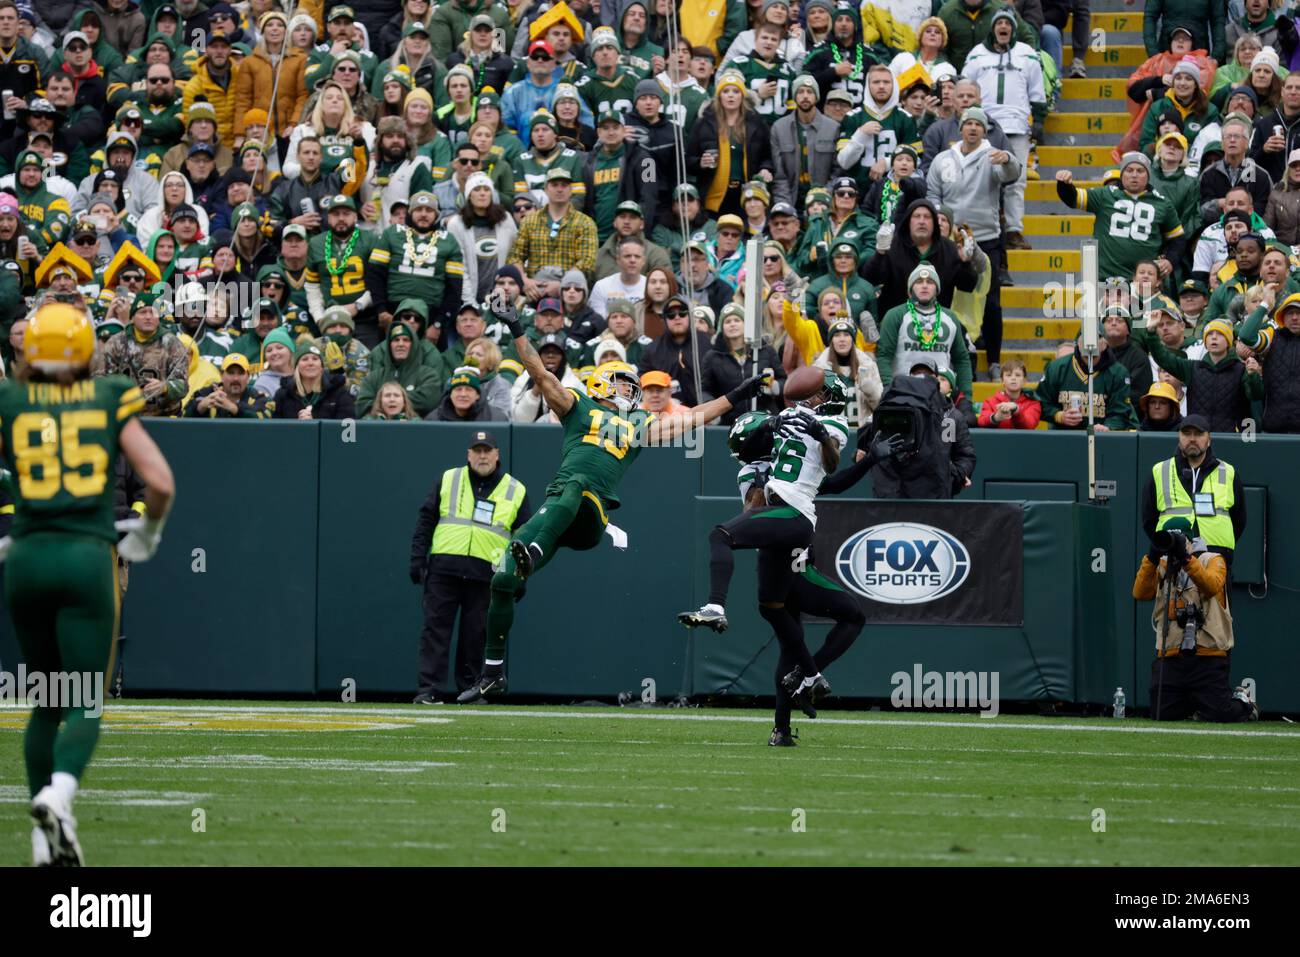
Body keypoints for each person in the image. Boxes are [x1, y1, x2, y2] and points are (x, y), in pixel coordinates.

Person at [455, 295, 770, 702]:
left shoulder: (637, 425)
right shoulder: (579, 406)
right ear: (604, 383)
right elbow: (541, 374)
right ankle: (492, 673)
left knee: (576, 488)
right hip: (557, 509)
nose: (632, 391)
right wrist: (518, 329)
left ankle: (530, 553)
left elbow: (689, 419)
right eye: (625, 383)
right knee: (501, 580)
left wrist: (735, 396)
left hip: (590, 513)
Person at [0, 302, 175, 866]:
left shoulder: (10, 398)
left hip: (25, 556)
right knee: (83, 696)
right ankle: (60, 794)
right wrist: (147, 532)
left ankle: (42, 837)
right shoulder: (108, 395)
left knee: (46, 697)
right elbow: (160, 482)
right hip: (84, 555)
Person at [677, 373, 854, 714]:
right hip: (780, 522)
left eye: (818, 394)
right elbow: (752, 457)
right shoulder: (778, 433)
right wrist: (772, 425)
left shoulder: (834, 424)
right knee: (779, 616)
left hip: (794, 513)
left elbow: (831, 468)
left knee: (720, 535)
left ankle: (715, 607)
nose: (812, 398)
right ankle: (806, 686)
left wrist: (818, 435)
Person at [409, 431, 531, 702]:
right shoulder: (449, 478)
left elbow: (525, 539)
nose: (482, 455)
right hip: (444, 568)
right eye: (477, 450)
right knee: (435, 631)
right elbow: (426, 520)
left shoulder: (515, 488)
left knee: (476, 636)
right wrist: (417, 558)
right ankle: (429, 691)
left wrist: (519, 578)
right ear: (468, 454)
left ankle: (471, 690)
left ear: (497, 455)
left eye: (487, 450)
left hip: (486, 574)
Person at [1133, 515, 1257, 722]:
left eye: (1178, 541)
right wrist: (1152, 557)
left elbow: (1211, 586)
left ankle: (1243, 702)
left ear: (1190, 540)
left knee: (1220, 713)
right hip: (1171, 654)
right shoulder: (1162, 565)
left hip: (1207, 653)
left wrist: (1186, 559)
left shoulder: (1213, 559)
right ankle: (1192, 704)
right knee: (1161, 714)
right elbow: (1140, 593)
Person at [961, 9, 1044, 252]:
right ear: (993, 27)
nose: (1004, 26)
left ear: (1014, 28)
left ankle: (1013, 230)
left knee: (1016, 180)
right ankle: (977, 229)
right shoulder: (977, 54)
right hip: (984, 125)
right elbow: (965, 88)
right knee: (981, 178)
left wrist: (1038, 120)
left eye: (1008, 23)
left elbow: (1037, 91)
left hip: (1017, 125)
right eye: (1000, 23)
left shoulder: (1026, 54)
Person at [1056, 152, 1186, 284]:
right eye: (1129, 170)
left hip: (1143, 281)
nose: (1134, 175)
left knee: (1142, 305)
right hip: (1106, 277)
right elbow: (1072, 198)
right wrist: (1064, 183)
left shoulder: (1163, 203)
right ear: (1122, 174)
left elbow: (1178, 239)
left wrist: (1170, 261)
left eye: (1140, 171)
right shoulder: (1105, 195)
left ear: (1148, 175)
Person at [876, 264, 974, 400]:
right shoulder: (895, 315)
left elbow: (961, 359)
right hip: (904, 392)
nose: (924, 285)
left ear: (937, 288)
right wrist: (888, 387)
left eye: (930, 282)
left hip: (940, 394)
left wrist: (966, 396)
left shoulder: (950, 317)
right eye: (919, 281)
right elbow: (883, 356)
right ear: (910, 289)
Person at [1038, 332, 1140, 431]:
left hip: (1103, 441)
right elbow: (1040, 402)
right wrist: (1059, 416)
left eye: (1096, 337)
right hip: (1064, 437)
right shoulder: (1057, 367)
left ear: (1105, 343)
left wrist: (1108, 427)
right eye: (1085, 337)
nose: (1090, 343)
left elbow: (1121, 412)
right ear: (1078, 343)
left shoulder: (1118, 373)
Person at [769, 73, 838, 210]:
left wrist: (823, 199)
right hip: (791, 198)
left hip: (823, 199)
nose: (805, 96)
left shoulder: (833, 128)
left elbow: (837, 172)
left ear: (816, 96)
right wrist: (786, 207)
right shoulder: (779, 128)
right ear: (794, 96)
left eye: (810, 92)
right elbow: (779, 175)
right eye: (800, 92)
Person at [1235, 289, 1300, 432]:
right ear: (1282, 316)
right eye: (1290, 313)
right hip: (1274, 427)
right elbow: (1246, 336)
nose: (1295, 317)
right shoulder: (1272, 336)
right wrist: (1264, 305)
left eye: (1299, 313)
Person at [269, 341, 357, 420]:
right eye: (305, 359)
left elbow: (347, 430)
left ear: (321, 367)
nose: (310, 363)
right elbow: (275, 431)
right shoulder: (283, 395)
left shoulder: (339, 392)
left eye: (315, 359)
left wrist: (314, 425)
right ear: (296, 367)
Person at [183, 351, 270, 418]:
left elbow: (267, 420)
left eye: (241, 373)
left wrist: (234, 408)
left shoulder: (258, 397)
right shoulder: (204, 393)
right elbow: (182, 418)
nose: (236, 378)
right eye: (231, 373)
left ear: (248, 377)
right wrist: (199, 407)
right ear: (221, 375)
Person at [976, 357, 1041, 428]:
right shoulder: (990, 401)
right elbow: (981, 421)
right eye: (1009, 375)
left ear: (1024, 380)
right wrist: (996, 417)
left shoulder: (1033, 403)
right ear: (1002, 380)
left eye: (1018, 375)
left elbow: (1030, 425)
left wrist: (1016, 410)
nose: (1013, 378)